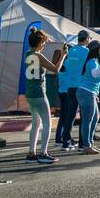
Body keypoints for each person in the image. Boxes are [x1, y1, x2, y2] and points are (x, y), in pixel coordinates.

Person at [24, 30, 64, 164]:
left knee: (36, 123)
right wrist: (63, 55)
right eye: (44, 43)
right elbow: (55, 69)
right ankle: (43, 153)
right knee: (47, 123)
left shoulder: (28, 54)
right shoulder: (38, 56)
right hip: (39, 93)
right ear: (40, 42)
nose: (44, 45)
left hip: (29, 93)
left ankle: (31, 153)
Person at [74, 41, 100, 154]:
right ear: (97, 51)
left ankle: (89, 143)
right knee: (88, 120)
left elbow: (99, 80)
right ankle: (86, 146)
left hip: (90, 93)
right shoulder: (92, 62)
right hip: (86, 92)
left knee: (94, 118)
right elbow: (94, 74)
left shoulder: (96, 62)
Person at [55, 31, 89, 149]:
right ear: (87, 39)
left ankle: (66, 142)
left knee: (70, 116)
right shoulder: (87, 52)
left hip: (70, 87)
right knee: (84, 116)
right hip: (82, 86)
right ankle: (82, 143)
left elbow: (67, 67)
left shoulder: (71, 51)